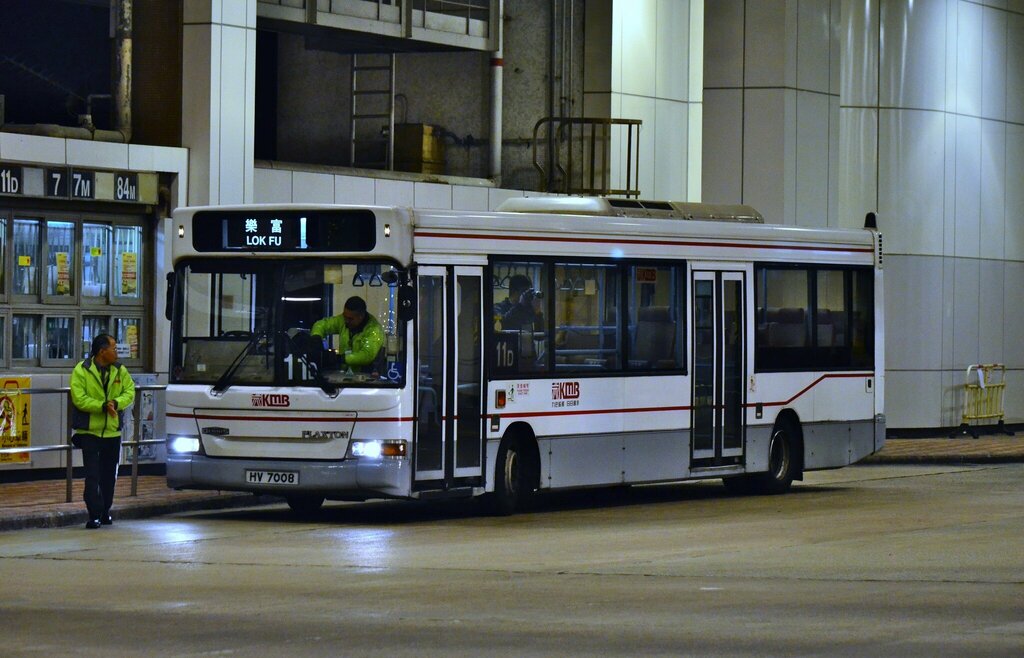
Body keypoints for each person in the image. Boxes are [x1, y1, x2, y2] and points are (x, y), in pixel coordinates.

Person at [70, 334, 136, 529]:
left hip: (112, 432)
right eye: (114, 348)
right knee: (92, 475)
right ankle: (94, 514)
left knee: (109, 475)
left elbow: (130, 391)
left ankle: (106, 510)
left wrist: (116, 403)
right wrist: (101, 406)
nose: (117, 352)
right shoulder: (82, 370)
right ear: (102, 351)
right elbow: (79, 398)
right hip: (90, 432)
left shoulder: (120, 370)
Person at [310, 296, 385, 372]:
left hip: (365, 377)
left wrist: (340, 358)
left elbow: (366, 356)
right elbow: (322, 324)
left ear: (361, 316)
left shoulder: (374, 330)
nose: (346, 321)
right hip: (345, 375)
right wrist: (316, 337)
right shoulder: (343, 320)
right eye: (344, 316)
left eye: (350, 319)